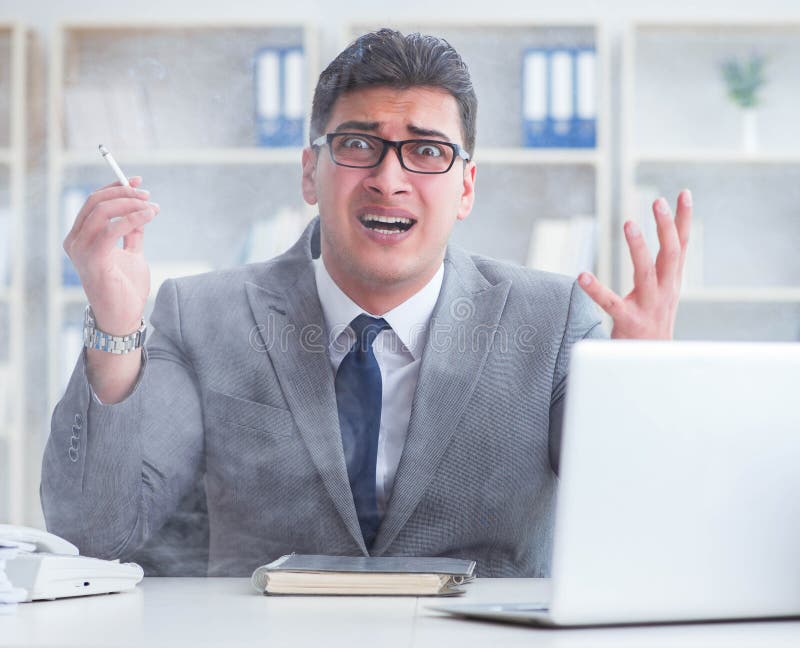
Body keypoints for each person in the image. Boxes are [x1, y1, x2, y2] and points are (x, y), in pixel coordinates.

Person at [42, 29, 691, 577]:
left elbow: (636, 534)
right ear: (308, 173)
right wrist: (116, 328)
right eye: (358, 145)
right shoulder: (202, 313)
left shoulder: (552, 324)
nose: (389, 178)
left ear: (465, 189)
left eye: (427, 151)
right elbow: (102, 533)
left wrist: (639, 387)